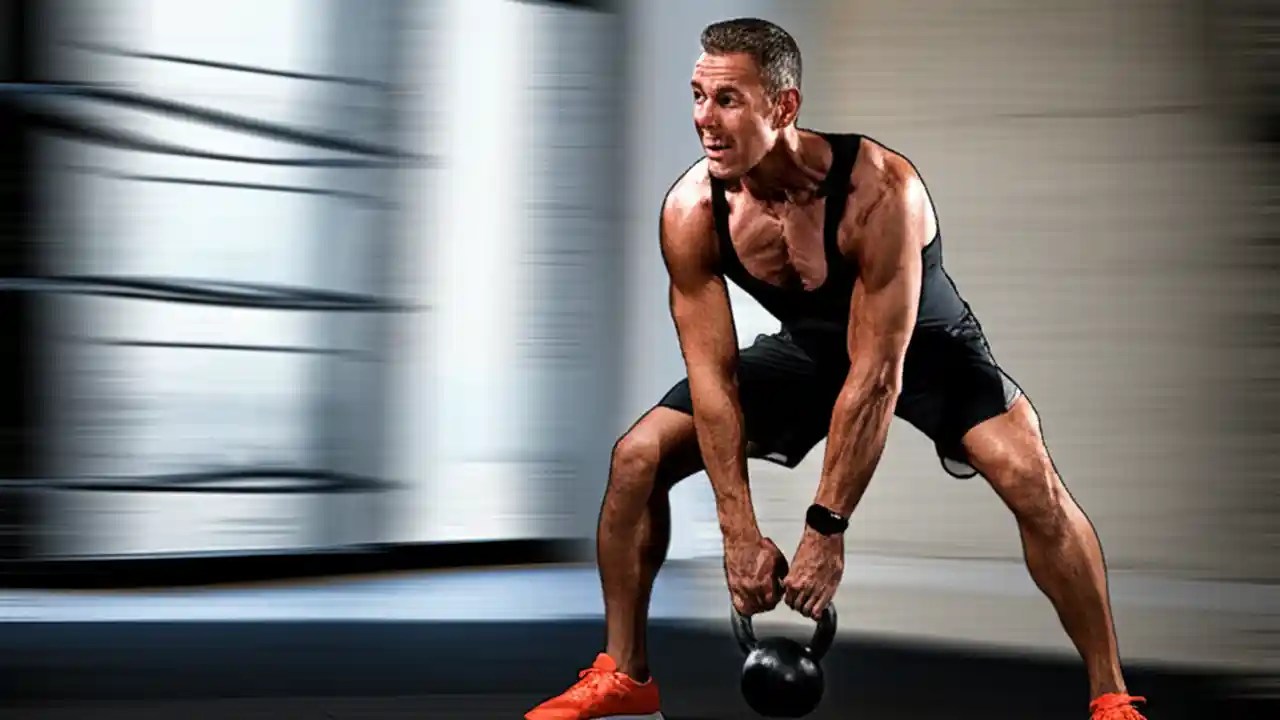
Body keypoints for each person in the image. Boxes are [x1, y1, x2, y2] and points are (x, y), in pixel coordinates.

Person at [526, 17, 1148, 720]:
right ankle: (627, 678)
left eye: (728, 100)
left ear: (783, 106)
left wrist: (826, 530)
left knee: (1030, 480)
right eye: (698, 96)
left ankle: (1111, 695)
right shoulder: (692, 210)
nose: (705, 119)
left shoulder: (879, 191)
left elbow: (878, 375)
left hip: (926, 346)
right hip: (809, 350)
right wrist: (737, 532)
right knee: (637, 457)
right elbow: (712, 378)